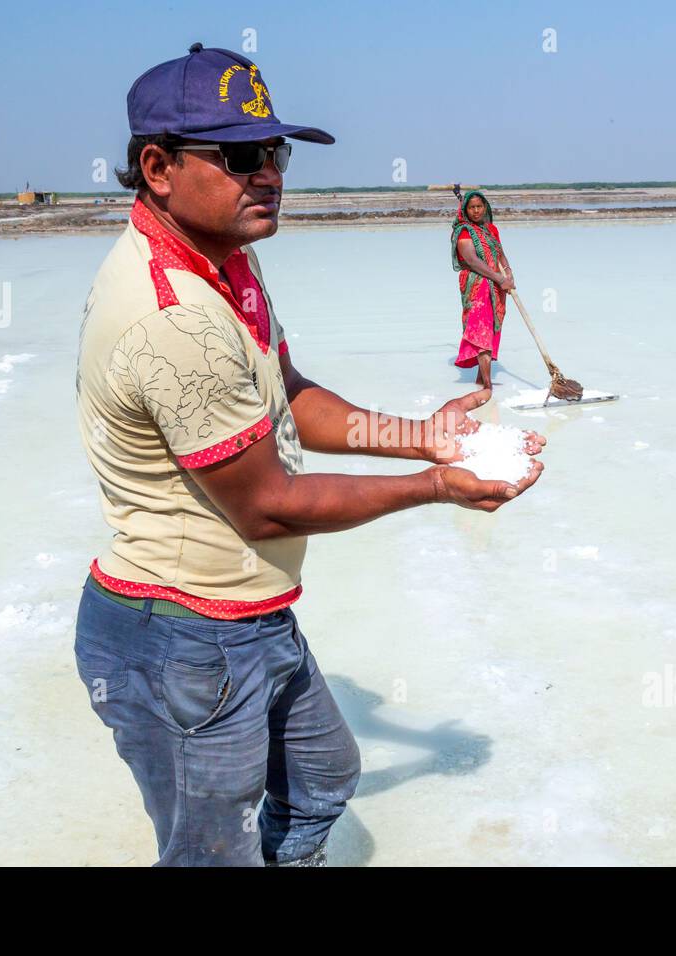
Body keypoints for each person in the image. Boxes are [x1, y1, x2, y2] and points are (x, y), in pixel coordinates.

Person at [74, 44, 545, 867]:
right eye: (240, 156)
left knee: (325, 774)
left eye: (275, 153)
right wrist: (436, 486)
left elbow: (287, 392)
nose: (268, 175)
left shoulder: (226, 261)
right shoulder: (171, 316)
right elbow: (268, 502)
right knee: (208, 855)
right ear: (157, 167)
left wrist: (423, 436)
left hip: (247, 611)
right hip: (183, 631)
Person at [451, 190, 514, 390]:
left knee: (493, 328)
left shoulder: (491, 229)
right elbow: (472, 261)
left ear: (485, 207)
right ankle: (488, 385)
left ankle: (481, 379)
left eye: (479, 207)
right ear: (466, 210)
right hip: (477, 285)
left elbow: (500, 254)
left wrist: (509, 274)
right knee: (481, 330)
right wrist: (498, 278)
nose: (476, 211)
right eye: (471, 207)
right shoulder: (463, 232)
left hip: (497, 287)